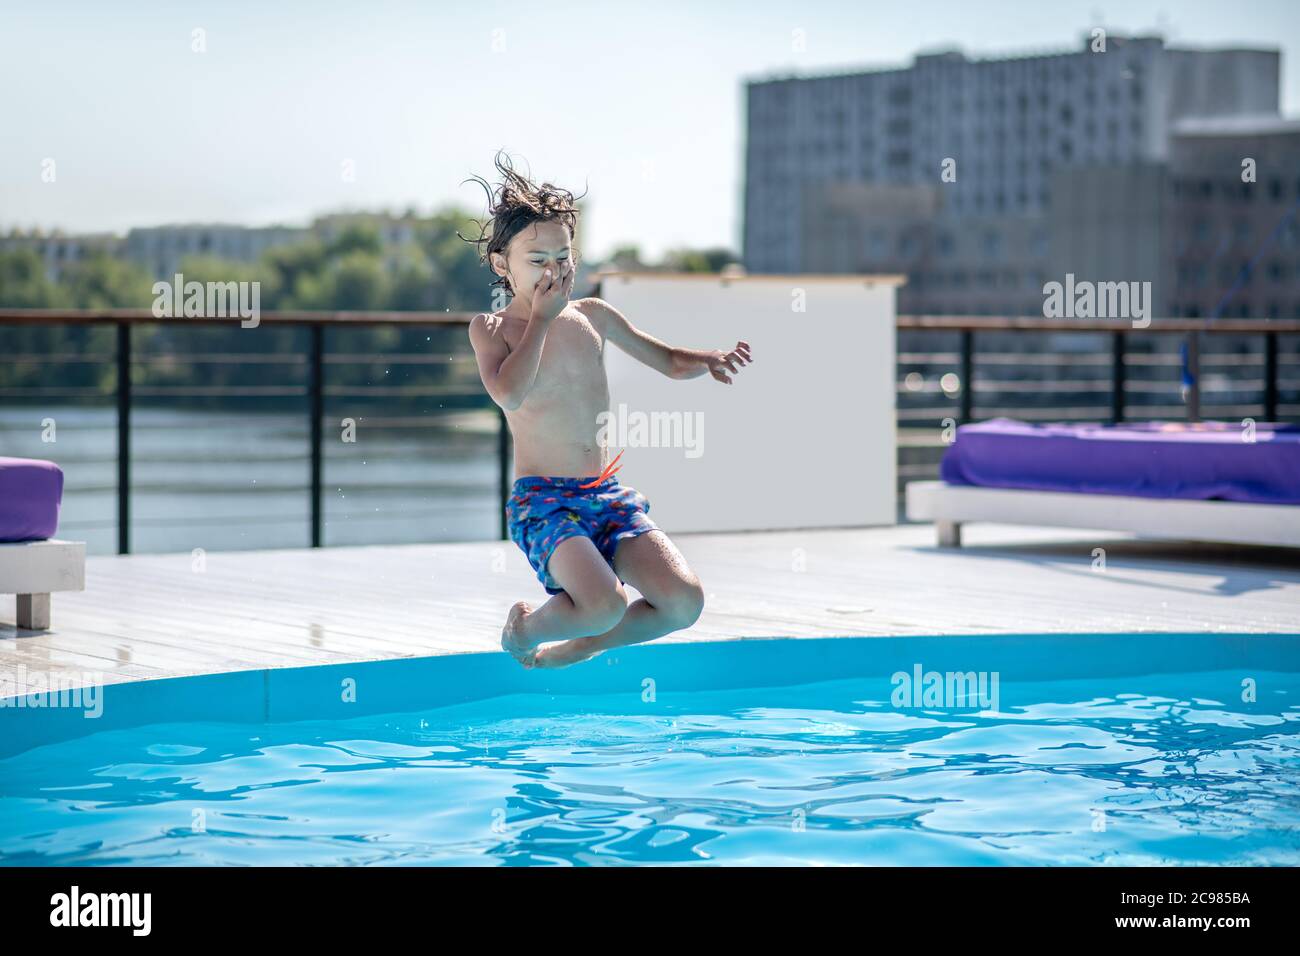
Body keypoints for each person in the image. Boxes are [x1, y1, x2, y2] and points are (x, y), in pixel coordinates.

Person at [461, 152, 752, 669]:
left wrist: (707, 359)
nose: (553, 271)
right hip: (543, 502)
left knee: (684, 602)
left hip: (604, 494)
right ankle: (526, 628)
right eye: (537, 261)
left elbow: (666, 360)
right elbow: (509, 394)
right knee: (603, 603)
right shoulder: (492, 329)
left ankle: (585, 644)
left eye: (563, 257)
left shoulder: (593, 315)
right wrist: (542, 323)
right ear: (502, 264)